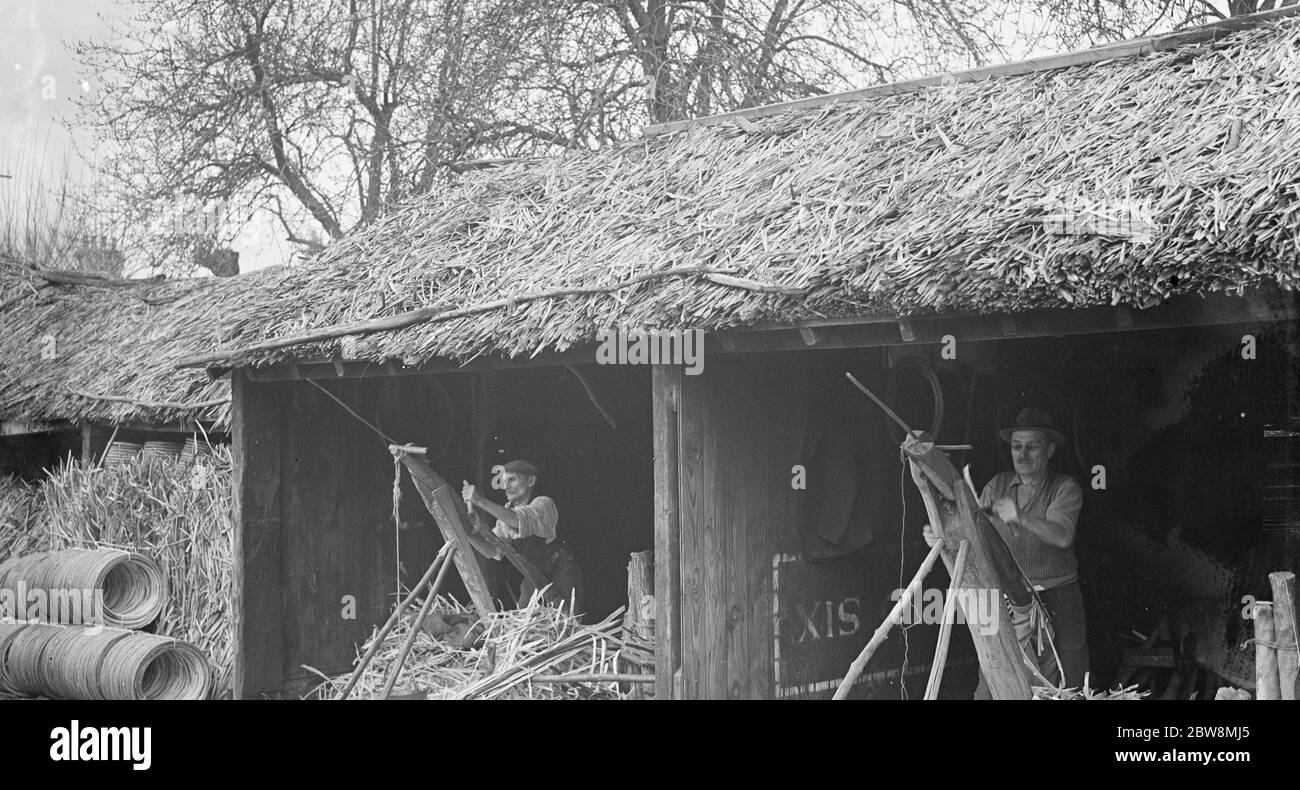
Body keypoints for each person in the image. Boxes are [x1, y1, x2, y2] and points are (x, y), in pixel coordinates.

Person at [925, 407, 1087, 696]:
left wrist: (1020, 517)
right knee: (993, 683)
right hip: (1010, 600)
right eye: (1016, 447)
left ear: (1050, 451)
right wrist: (942, 536)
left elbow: (1062, 536)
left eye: (1032, 447)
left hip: (1058, 597)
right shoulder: (997, 485)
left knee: (1070, 682)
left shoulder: (1065, 488)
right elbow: (972, 534)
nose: (1022, 455)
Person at [461, 460, 584, 614]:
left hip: (559, 570)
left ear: (531, 481)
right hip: (534, 574)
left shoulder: (543, 503)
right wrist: (469, 532)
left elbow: (519, 521)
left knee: (568, 619)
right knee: (523, 620)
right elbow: (494, 551)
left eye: (512, 480)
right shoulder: (508, 511)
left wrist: (479, 501)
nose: (506, 486)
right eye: (504, 482)